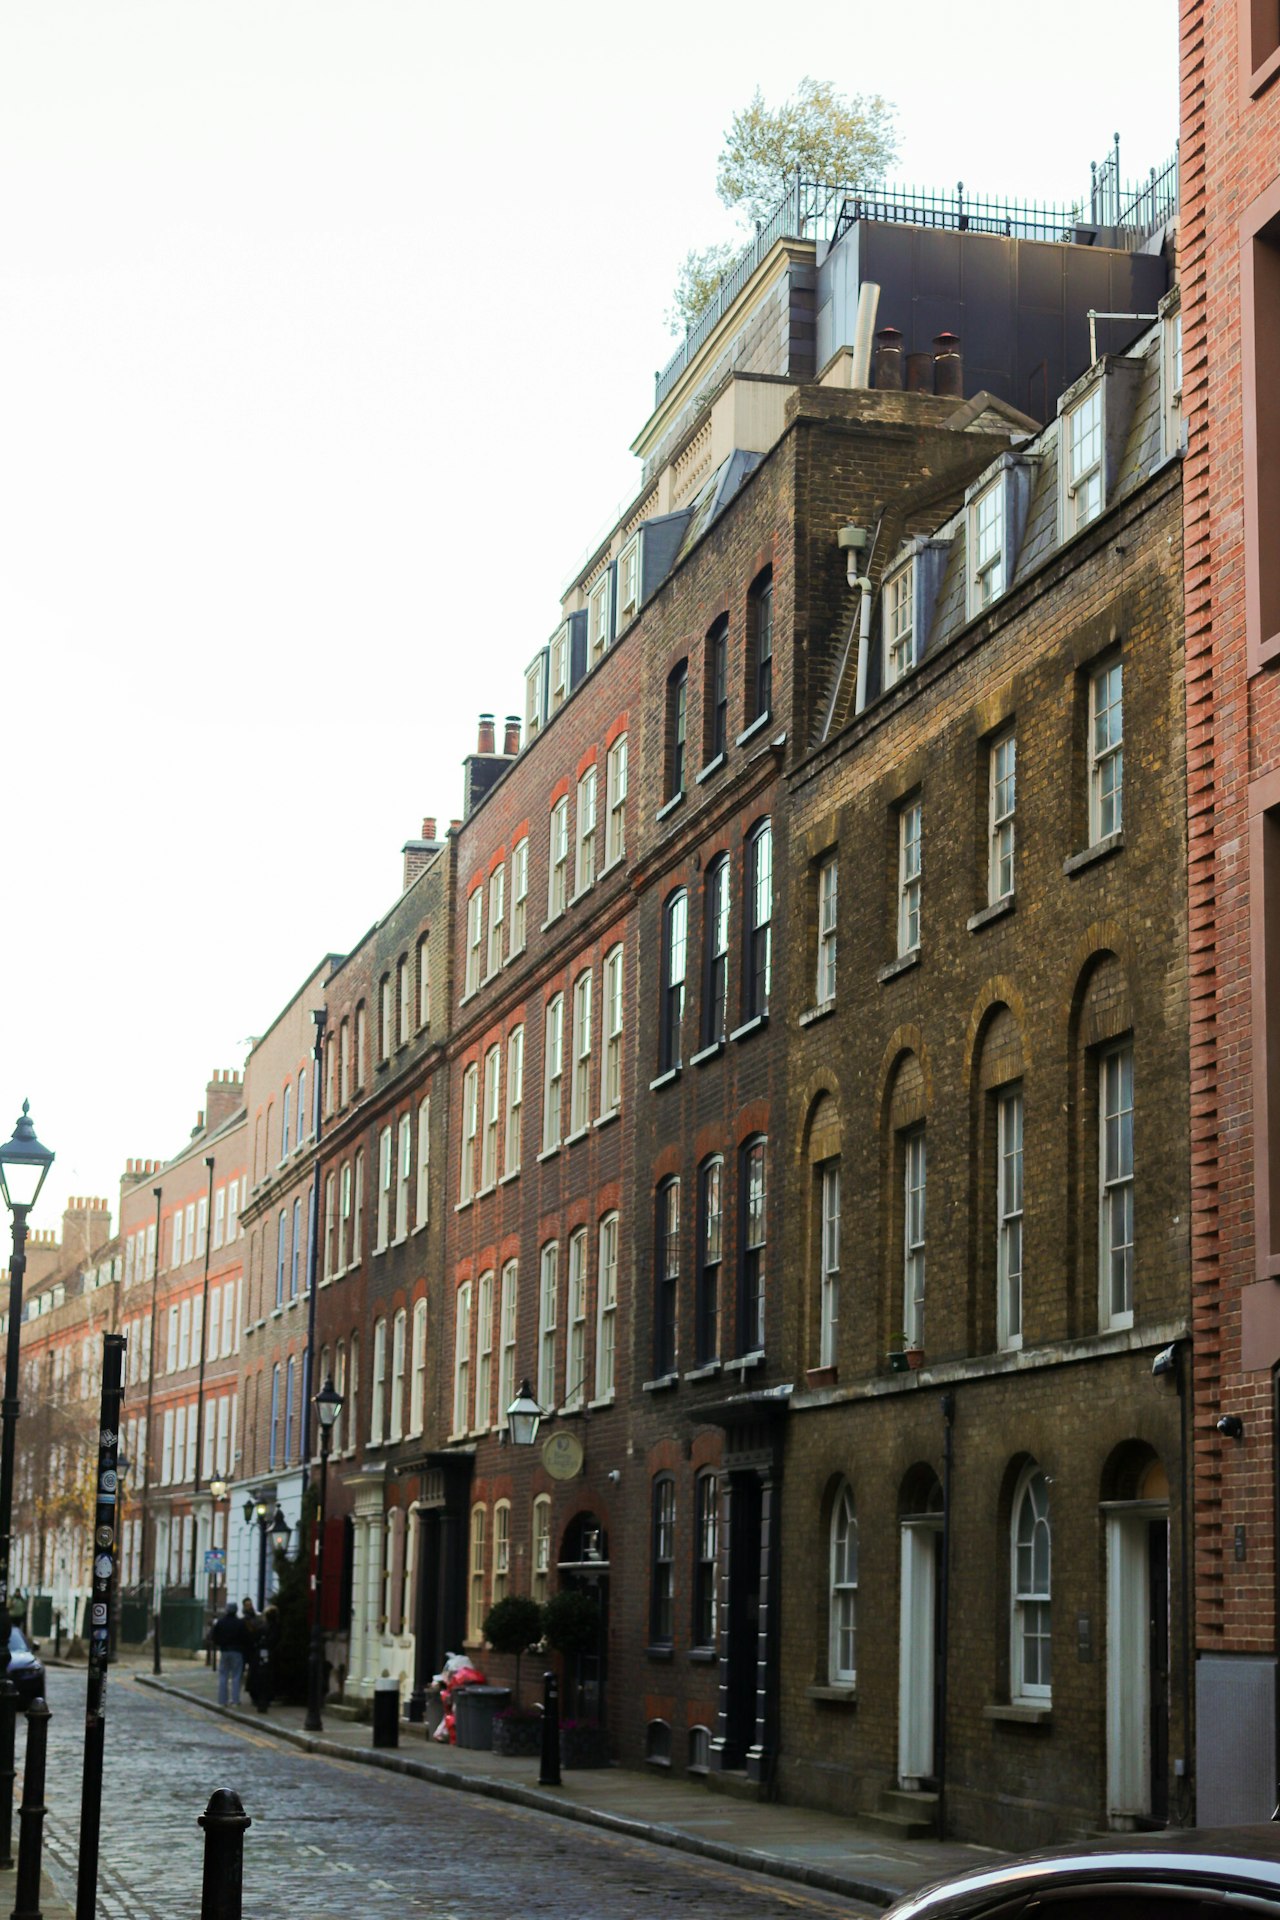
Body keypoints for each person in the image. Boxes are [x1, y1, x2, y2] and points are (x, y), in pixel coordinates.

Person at [210, 1602, 246, 1706]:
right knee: (236, 1676)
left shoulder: (221, 1622)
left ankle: (222, 1700)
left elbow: (214, 1637)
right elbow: (245, 1637)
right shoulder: (240, 1623)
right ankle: (235, 1699)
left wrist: (220, 1644)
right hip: (237, 1651)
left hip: (225, 1651)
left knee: (223, 1675)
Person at [248, 1602, 280, 1713]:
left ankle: (261, 1700)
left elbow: (255, 1638)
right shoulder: (274, 1627)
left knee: (261, 1676)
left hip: (262, 1654)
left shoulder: (264, 1627)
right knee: (266, 1676)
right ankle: (263, 1700)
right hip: (268, 1654)